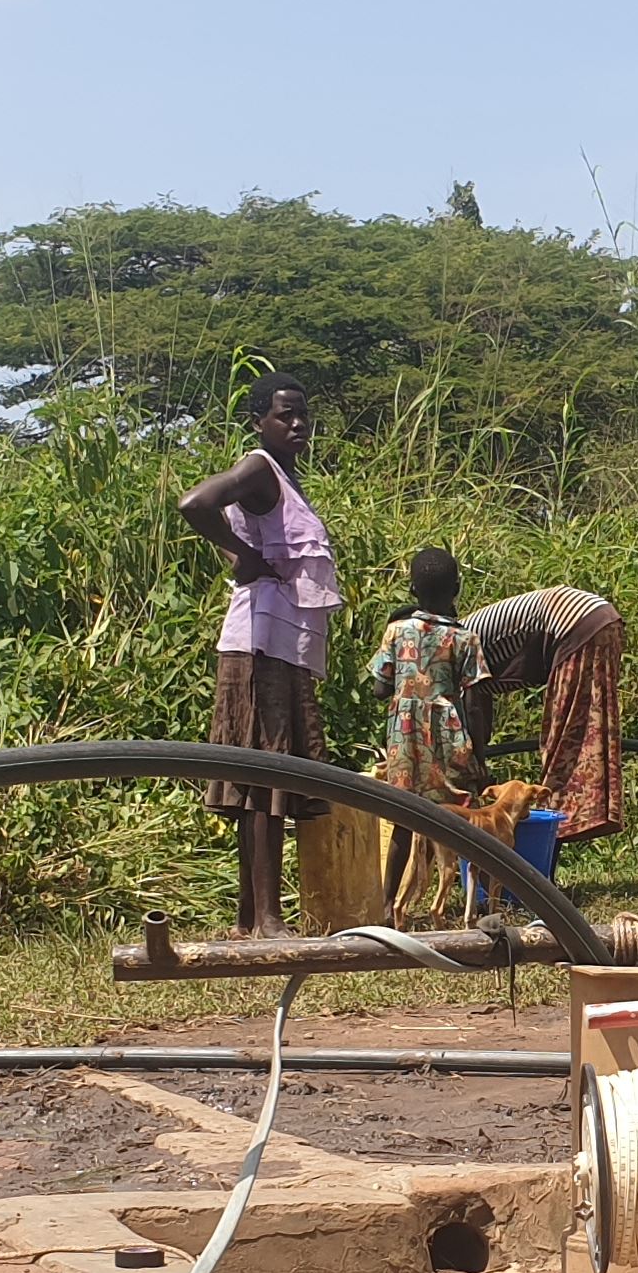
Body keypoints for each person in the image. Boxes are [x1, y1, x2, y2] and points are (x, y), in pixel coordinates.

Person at [175, 371, 345, 934]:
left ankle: (255, 914)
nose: (297, 424)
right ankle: (268, 918)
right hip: (259, 644)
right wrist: (240, 555)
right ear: (260, 422)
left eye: (302, 414)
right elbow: (196, 502)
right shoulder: (258, 469)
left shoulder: (286, 479)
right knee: (264, 776)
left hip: (282, 647)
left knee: (269, 779)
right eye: (284, 415)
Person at [365, 546, 492, 903]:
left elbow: (379, 688)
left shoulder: (397, 631)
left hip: (404, 737)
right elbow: (475, 703)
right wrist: (479, 755)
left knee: (403, 820)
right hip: (448, 735)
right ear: (457, 589)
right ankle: (477, 900)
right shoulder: (465, 639)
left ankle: (389, 905)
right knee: (461, 816)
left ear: (411, 591)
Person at [461, 583, 625, 845]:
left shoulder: (456, 644)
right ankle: (564, 832)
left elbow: (472, 712)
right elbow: (479, 716)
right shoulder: (468, 647)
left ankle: (550, 844)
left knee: (564, 746)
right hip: (601, 619)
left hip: (575, 625)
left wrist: (478, 763)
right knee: (583, 740)